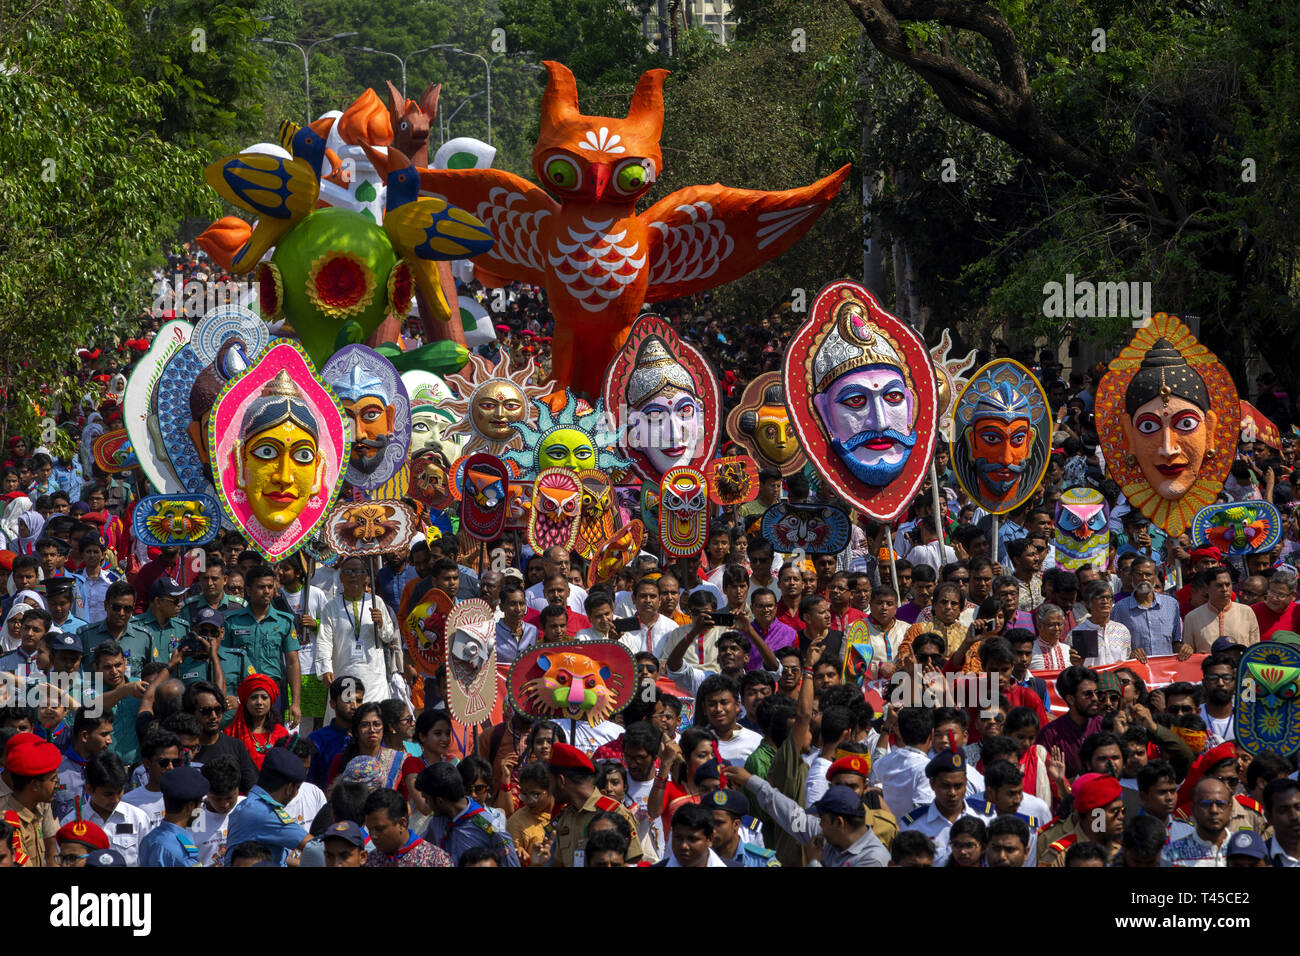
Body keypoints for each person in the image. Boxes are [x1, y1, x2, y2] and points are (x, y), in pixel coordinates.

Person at [315, 556, 397, 716]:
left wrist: (380, 623)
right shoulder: (331, 607)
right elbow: (324, 641)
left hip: (373, 674)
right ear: (341, 576)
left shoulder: (376, 602)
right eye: (348, 571)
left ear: (365, 576)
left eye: (358, 571)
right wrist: (325, 668)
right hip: (344, 671)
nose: (353, 575)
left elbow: (388, 636)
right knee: (347, 718)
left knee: (373, 718)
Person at [222, 565, 301, 725]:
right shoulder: (231, 620)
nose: (266, 591)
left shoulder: (284, 621)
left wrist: (296, 703)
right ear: (249, 590)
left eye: (270, 587)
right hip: (241, 690)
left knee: (272, 740)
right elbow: (223, 660)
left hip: (272, 690)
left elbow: (292, 663)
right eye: (261, 587)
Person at [545, 742, 643, 866]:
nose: (549, 789)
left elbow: (633, 860)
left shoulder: (614, 812)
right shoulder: (565, 818)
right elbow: (559, 863)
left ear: (561, 780)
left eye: (550, 782)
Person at [223, 746, 313, 866]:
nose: (296, 794)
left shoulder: (250, 805)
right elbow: (315, 847)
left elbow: (279, 856)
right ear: (289, 788)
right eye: (297, 788)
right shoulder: (265, 813)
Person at [897, 750, 990, 865]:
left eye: (958, 786)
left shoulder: (986, 816)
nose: (952, 793)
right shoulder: (913, 825)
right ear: (932, 784)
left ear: (965, 783)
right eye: (945, 786)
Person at [185, 680, 257, 793]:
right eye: (205, 711)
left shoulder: (236, 746)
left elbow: (252, 790)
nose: (213, 716)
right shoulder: (183, 750)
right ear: (191, 712)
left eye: (218, 710)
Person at [1038, 773, 1124, 866]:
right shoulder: (1059, 856)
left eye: (1122, 810)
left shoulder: (1123, 850)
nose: (1121, 817)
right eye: (1114, 812)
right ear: (1093, 816)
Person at [0, 734, 61, 866]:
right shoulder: (7, 820)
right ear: (34, 785)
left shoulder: (40, 804)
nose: (57, 783)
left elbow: (51, 851)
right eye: (52, 779)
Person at [1111, 556, 1184, 661]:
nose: (1144, 578)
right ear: (1132, 576)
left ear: (1155, 577)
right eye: (1139, 574)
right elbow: (1115, 648)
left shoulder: (1171, 604)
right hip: (1136, 672)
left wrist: (1185, 649)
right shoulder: (1120, 608)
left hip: (1166, 672)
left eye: (1148, 574)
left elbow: (1176, 642)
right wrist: (1130, 654)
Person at [1036, 665, 1102, 778]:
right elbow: (1044, 780)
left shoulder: (1104, 726)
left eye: (1096, 692)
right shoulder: (1050, 735)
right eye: (1088, 694)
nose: (1095, 698)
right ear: (1070, 699)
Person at [363, 787, 454, 867]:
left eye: (379, 829)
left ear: (402, 824)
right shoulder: (370, 860)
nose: (373, 836)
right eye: (370, 829)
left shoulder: (436, 859)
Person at [137, 765, 208, 867]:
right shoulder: (180, 851)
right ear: (190, 806)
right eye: (200, 804)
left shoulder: (149, 839)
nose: (201, 810)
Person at [1184, 565, 1260, 652]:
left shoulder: (1246, 612)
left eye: (1228, 585)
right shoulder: (1192, 617)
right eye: (1219, 585)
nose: (1225, 589)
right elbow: (1188, 652)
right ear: (1207, 588)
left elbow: (1254, 650)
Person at [224, 673, 290, 769]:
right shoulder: (231, 733)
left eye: (264, 697)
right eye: (254, 697)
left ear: (271, 701)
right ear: (245, 701)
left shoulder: (281, 733)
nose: (259, 702)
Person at [308, 676, 363, 787]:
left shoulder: (369, 736)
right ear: (333, 704)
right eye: (348, 700)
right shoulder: (317, 740)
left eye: (358, 701)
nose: (354, 706)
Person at [1165, 776, 1232, 866]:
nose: (1214, 810)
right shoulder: (1172, 854)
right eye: (1205, 804)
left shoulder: (1245, 848)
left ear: (1230, 808)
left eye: (1221, 804)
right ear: (1192, 809)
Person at [191, 756, 243, 866]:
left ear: (238, 788)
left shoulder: (247, 809)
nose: (225, 805)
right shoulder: (193, 818)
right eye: (217, 799)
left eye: (230, 798)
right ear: (206, 792)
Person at [1262, 777, 1300, 866]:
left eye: (1298, 807)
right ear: (1269, 817)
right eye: (1283, 810)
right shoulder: (1259, 857)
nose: (1294, 816)